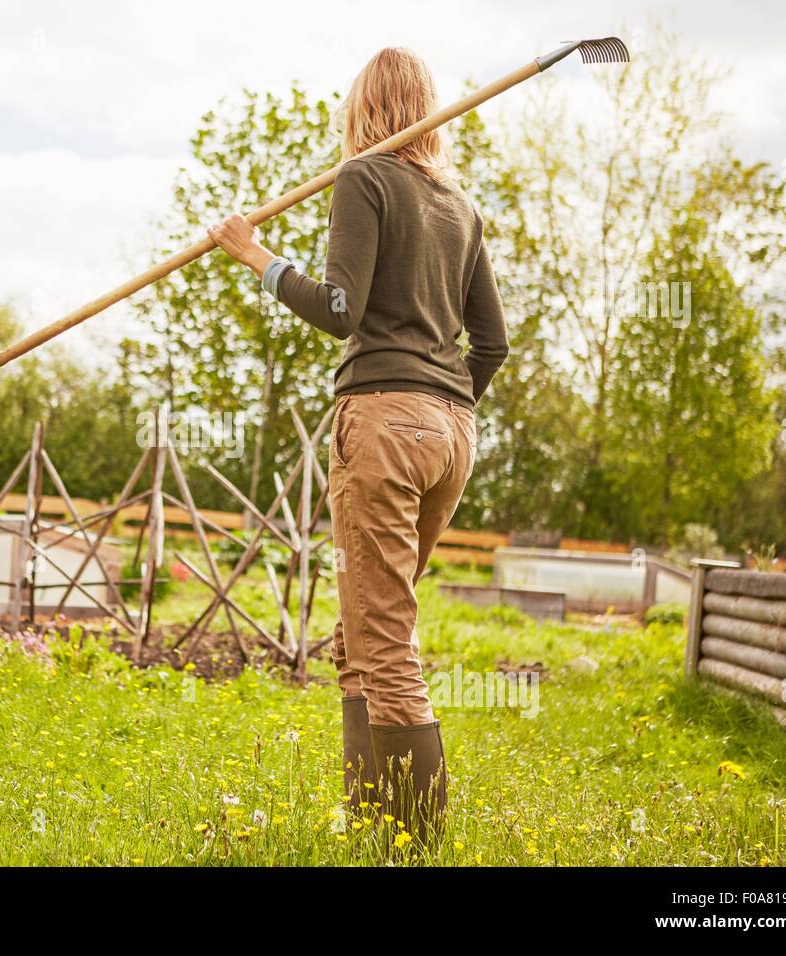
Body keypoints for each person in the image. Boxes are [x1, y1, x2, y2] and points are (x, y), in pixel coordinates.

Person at [207, 46, 508, 844]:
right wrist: (440, 407)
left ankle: (415, 844)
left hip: (383, 422)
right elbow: (494, 346)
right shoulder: (459, 206)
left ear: (362, 111)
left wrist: (256, 257)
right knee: (360, 630)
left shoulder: (362, 178)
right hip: (452, 433)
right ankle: (373, 819)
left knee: (384, 636)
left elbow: (341, 308)